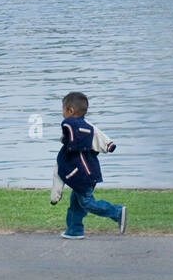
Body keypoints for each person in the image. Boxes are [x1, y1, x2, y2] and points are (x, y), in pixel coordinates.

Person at [53, 91, 126, 239]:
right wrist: (108, 145)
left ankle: (117, 212)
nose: (62, 114)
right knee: (76, 202)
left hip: (83, 175)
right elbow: (101, 138)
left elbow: (73, 129)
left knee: (87, 202)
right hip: (88, 173)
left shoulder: (75, 125)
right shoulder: (88, 127)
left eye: (63, 110)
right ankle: (74, 230)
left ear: (70, 110)